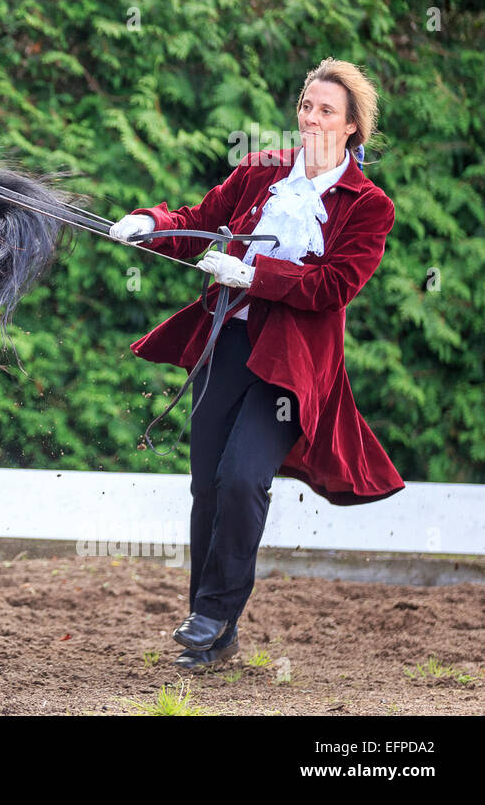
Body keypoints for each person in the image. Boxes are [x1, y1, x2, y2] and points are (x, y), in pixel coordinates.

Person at [109, 58, 404, 672]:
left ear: (353, 127)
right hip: (228, 345)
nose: (311, 118)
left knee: (243, 477)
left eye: (327, 111)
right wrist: (151, 224)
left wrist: (253, 273)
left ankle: (216, 612)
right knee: (207, 486)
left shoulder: (369, 206)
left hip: (292, 363)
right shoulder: (262, 171)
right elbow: (199, 219)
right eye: (306, 105)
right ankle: (212, 636)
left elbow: (332, 286)